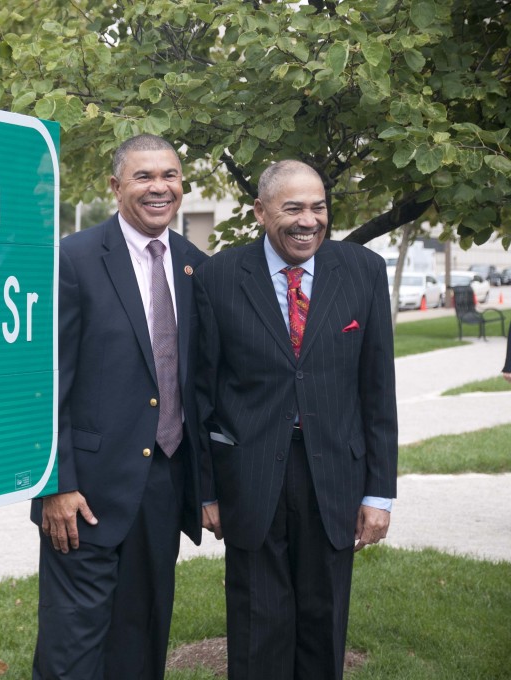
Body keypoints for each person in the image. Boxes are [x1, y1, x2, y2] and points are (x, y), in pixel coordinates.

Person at [194, 160, 398, 679]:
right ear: (261, 212)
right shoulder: (218, 277)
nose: (309, 220)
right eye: (293, 209)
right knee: (256, 628)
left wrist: (379, 494)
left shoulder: (363, 271)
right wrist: (205, 491)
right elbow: (201, 393)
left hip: (335, 480)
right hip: (250, 479)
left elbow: (377, 391)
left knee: (323, 623)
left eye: (318, 207)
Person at [31, 134, 208, 679]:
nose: (160, 188)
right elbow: (46, 381)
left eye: (170, 176)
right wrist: (56, 483)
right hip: (84, 493)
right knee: (72, 654)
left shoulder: (196, 266)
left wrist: (207, 489)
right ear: (115, 186)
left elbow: (200, 387)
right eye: (144, 177)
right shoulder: (73, 259)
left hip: (163, 485)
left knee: (141, 645)